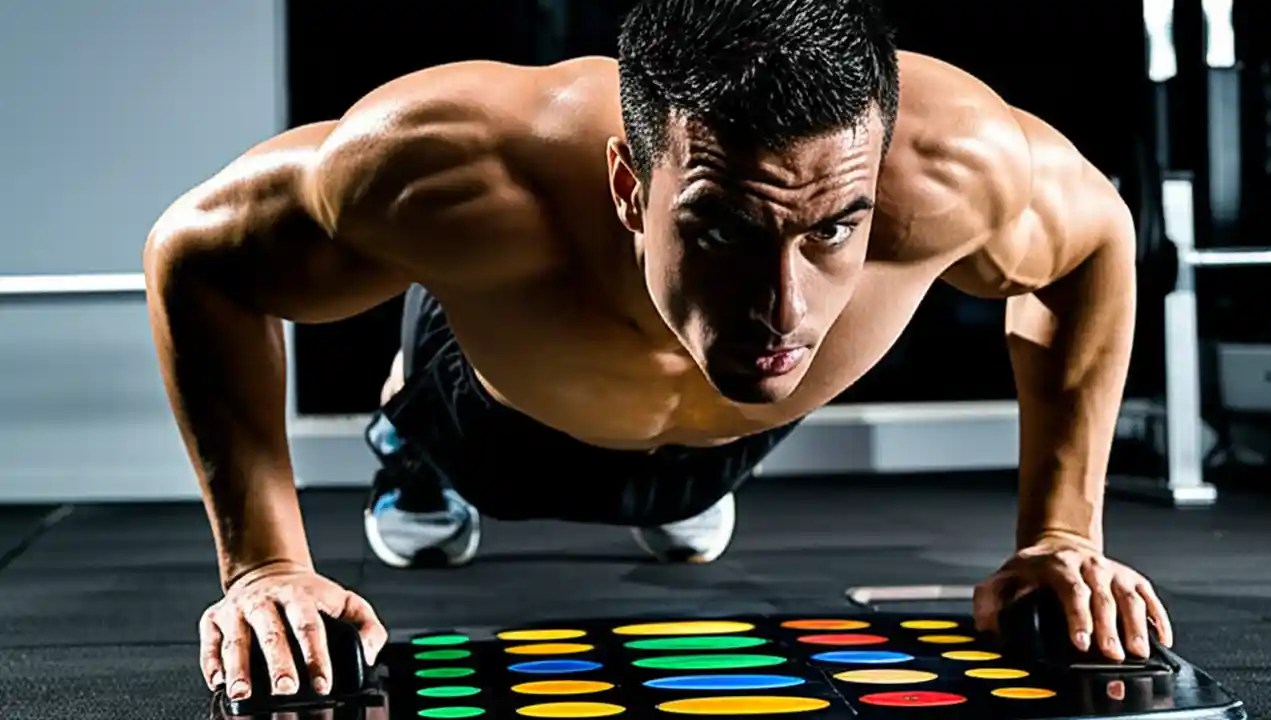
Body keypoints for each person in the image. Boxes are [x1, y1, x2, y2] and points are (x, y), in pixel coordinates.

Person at [143, 0, 1174, 704]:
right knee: (457, 369)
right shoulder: (466, 164)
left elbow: (1095, 243)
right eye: (722, 228)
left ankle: (683, 478)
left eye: (831, 230)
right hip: (490, 420)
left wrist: (1060, 537)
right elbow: (197, 254)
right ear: (631, 189)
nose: (783, 302)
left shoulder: (958, 168)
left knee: (736, 389)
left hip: (730, 429)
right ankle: (408, 448)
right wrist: (266, 566)